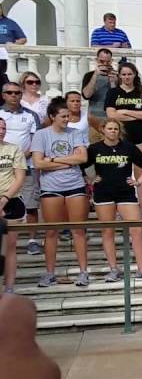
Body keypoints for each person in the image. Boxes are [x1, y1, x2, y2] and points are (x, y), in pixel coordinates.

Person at [87, 118, 142, 283]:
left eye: (116, 129)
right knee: (108, 231)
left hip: (125, 193)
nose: (113, 131)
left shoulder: (128, 147)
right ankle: (114, 269)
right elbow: (81, 165)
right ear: (103, 130)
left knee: (137, 230)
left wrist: (139, 181)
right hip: (103, 193)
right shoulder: (94, 148)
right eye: (110, 128)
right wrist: (90, 178)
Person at [31, 98, 89, 287]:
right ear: (52, 116)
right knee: (51, 232)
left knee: (78, 230)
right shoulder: (41, 135)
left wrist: (53, 159)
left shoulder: (76, 133)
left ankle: (83, 271)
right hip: (51, 188)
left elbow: (82, 158)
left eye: (68, 116)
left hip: (75, 184)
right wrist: (67, 160)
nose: (67, 119)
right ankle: (49, 273)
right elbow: (38, 163)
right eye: (63, 116)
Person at [104, 61, 142, 214]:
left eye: (129, 74)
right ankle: (122, 209)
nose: (127, 77)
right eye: (124, 74)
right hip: (120, 139)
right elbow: (111, 115)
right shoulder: (113, 93)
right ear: (119, 76)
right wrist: (136, 115)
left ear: (135, 75)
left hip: (140, 137)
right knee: (120, 173)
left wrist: (125, 111)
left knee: (140, 174)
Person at [0, 82, 42, 255]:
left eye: (17, 92)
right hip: (3, 166)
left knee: (31, 205)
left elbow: (36, 139)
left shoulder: (31, 115)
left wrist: (22, 155)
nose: (13, 95)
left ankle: (32, 240)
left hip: (27, 164)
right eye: (9, 92)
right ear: (3, 95)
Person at [0, 119, 26, 293]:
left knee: (10, 246)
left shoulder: (14, 149)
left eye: (4, 128)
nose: (2, 131)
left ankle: (9, 287)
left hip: (12, 201)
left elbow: (19, 177)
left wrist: (4, 199)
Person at [81, 48, 118, 127]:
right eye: (101, 61)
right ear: (96, 60)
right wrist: (95, 75)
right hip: (94, 119)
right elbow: (86, 95)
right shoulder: (89, 75)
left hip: (112, 120)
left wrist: (114, 83)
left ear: (111, 61)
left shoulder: (117, 76)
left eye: (108, 62)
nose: (105, 64)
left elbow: (118, 100)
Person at [0, 6, 27, 83]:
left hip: (6, 57)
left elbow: (23, 39)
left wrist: (13, 44)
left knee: (5, 80)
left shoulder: (10, 23)